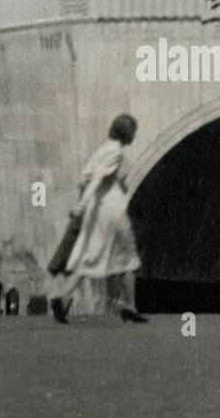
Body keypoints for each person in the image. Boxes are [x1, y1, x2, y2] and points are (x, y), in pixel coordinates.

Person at [49, 114, 148, 324]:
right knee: (129, 258)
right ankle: (130, 306)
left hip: (96, 212)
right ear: (128, 133)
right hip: (113, 211)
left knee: (89, 256)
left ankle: (62, 295)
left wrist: (84, 204)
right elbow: (96, 180)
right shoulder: (115, 153)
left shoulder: (101, 150)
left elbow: (85, 180)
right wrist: (80, 206)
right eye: (134, 132)